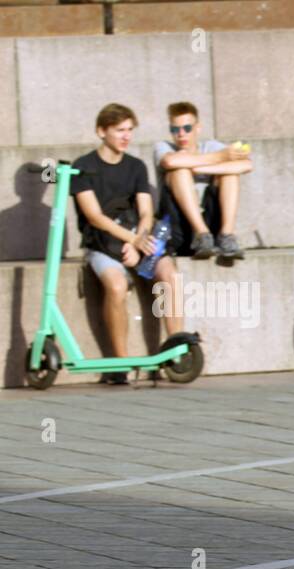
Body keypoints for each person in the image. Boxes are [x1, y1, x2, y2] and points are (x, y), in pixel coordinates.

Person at [71, 103, 185, 385]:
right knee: (117, 284)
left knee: (169, 275)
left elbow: (146, 212)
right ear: (102, 131)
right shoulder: (83, 167)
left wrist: (138, 242)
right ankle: (120, 363)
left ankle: (176, 352)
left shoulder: (135, 166)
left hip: (137, 238)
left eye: (130, 130)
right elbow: (94, 217)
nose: (126, 136)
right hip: (102, 243)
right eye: (119, 130)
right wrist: (130, 239)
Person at [154, 101, 253, 259]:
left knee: (229, 175)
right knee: (179, 171)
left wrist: (200, 168)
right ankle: (201, 234)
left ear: (197, 128)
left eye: (187, 128)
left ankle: (226, 236)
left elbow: (246, 165)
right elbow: (170, 162)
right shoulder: (164, 147)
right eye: (175, 129)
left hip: (212, 224)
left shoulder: (210, 146)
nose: (181, 134)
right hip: (179, 230)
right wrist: (220, 158)